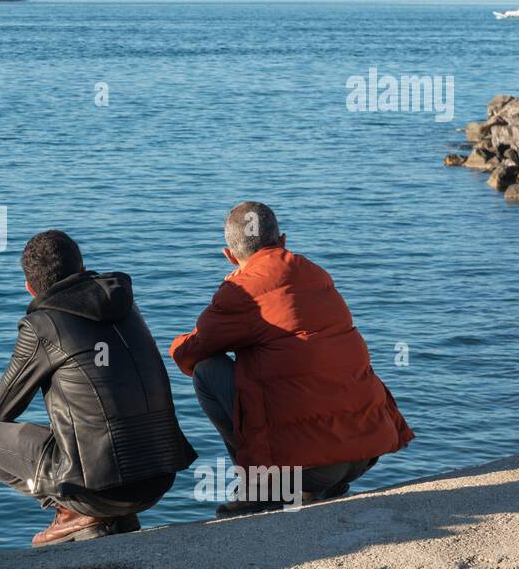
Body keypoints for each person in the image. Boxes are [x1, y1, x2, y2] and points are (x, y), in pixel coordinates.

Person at [0, 230, 197, 546]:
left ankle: (73, 510)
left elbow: (1, 410)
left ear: (29, 287)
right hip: (158, 479)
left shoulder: (43, 324)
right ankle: (110, 514)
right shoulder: (127, 306)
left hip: (97, 489)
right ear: (81, 269)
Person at [169, 202, 413, 517]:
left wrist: (228, 299)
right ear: (283, 240)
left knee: (207, 370)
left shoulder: (239, 291)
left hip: (313, 465)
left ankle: (261, 487)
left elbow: (188, 354)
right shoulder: (315, 274)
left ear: (229, 255)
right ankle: (315, 485)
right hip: (365, 451)